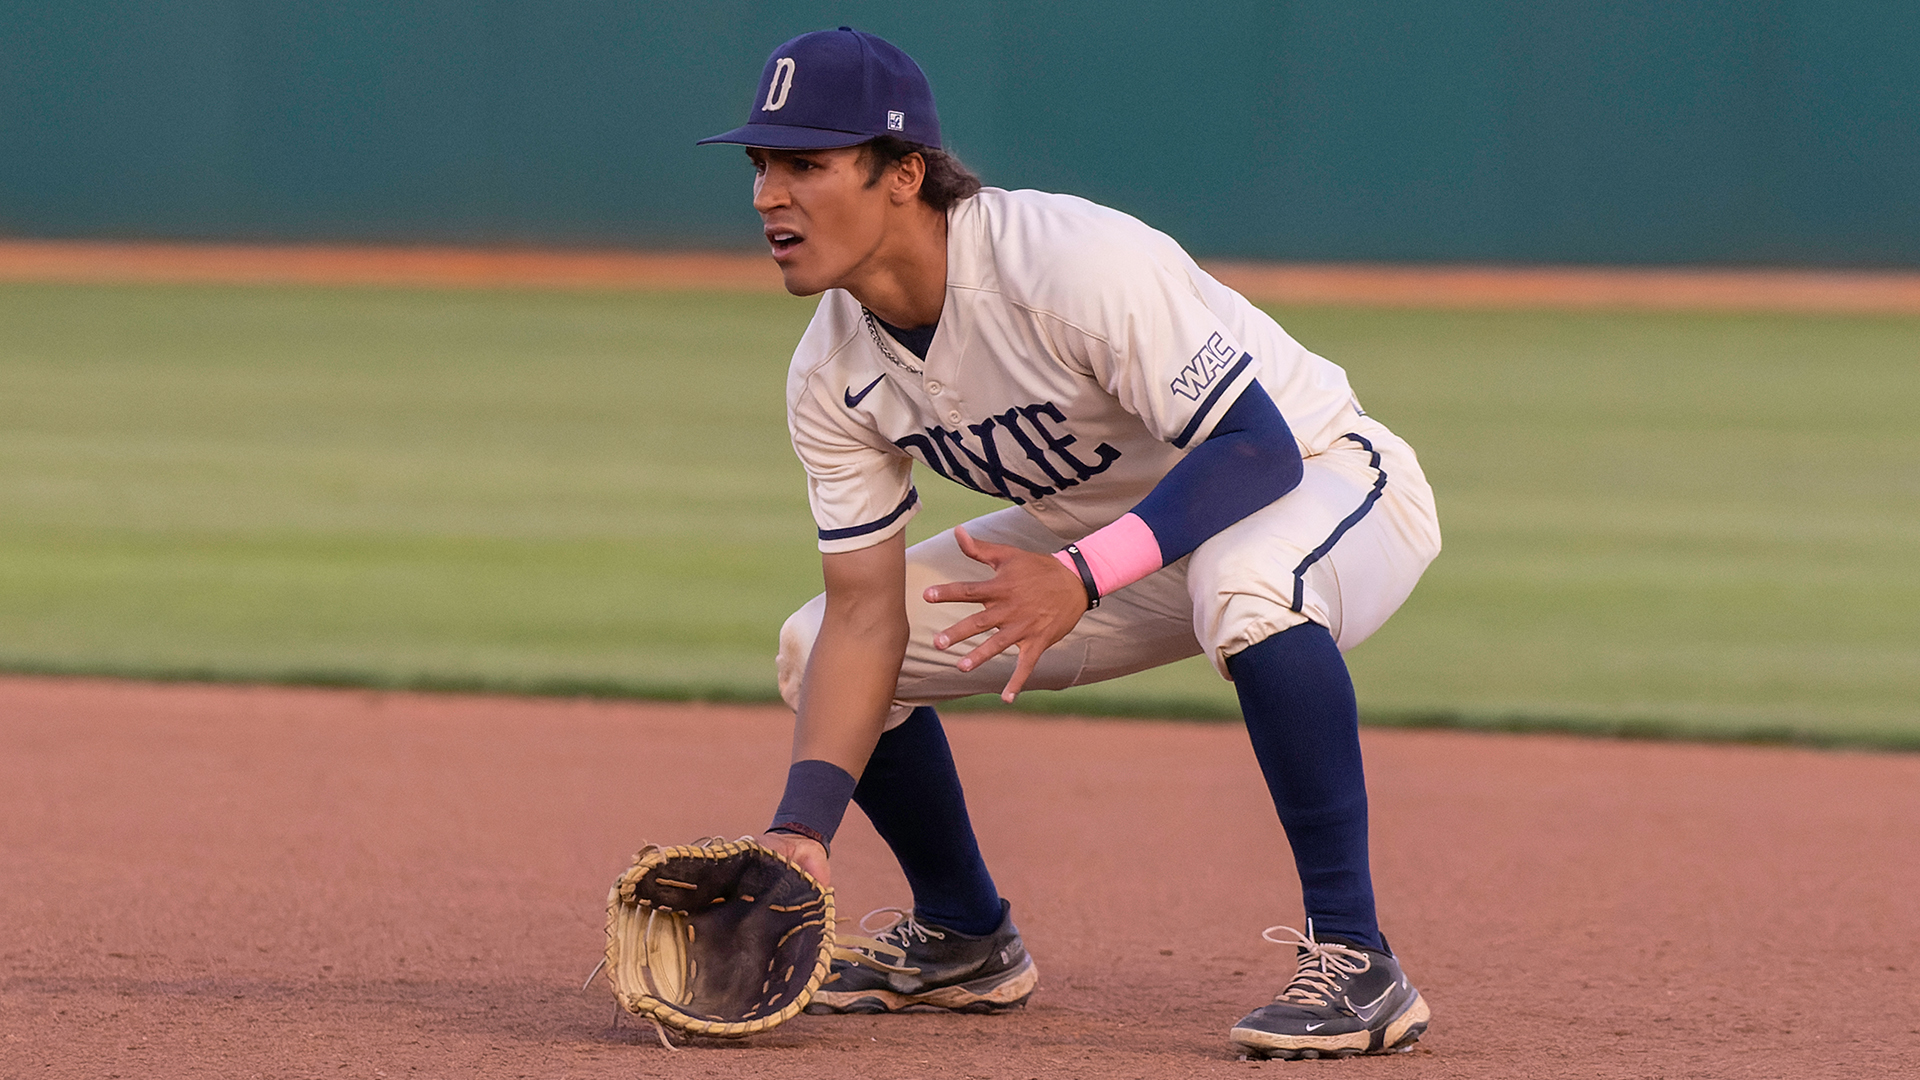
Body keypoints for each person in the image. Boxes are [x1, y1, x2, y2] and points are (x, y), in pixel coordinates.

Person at [698, 27, 1440, 1060]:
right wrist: (801, 830)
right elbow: (869, 616)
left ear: (904, 173)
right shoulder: (831, 371)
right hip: (1096, 546)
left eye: (806, 163)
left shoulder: (1063, 262)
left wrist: (1083, 577)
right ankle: (963, 936)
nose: (768, 194)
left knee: (1247, 583)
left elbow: (1255, 446)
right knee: (812, 635)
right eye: (761, 164)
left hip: (1319, 478)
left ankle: (1359, 962)